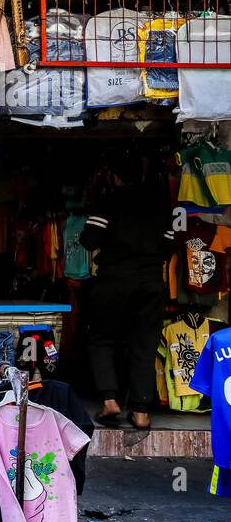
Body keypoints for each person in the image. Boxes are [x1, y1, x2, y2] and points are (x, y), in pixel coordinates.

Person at [80, 161, 171, 429]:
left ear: (116, 177)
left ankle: (110, 401)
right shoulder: (160, 204)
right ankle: (141, 412)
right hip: (151, 284)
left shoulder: (108, 200)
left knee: (101, 339)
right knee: (144, 344)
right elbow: (168, 247)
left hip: (114, 282)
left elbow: (90, 240)